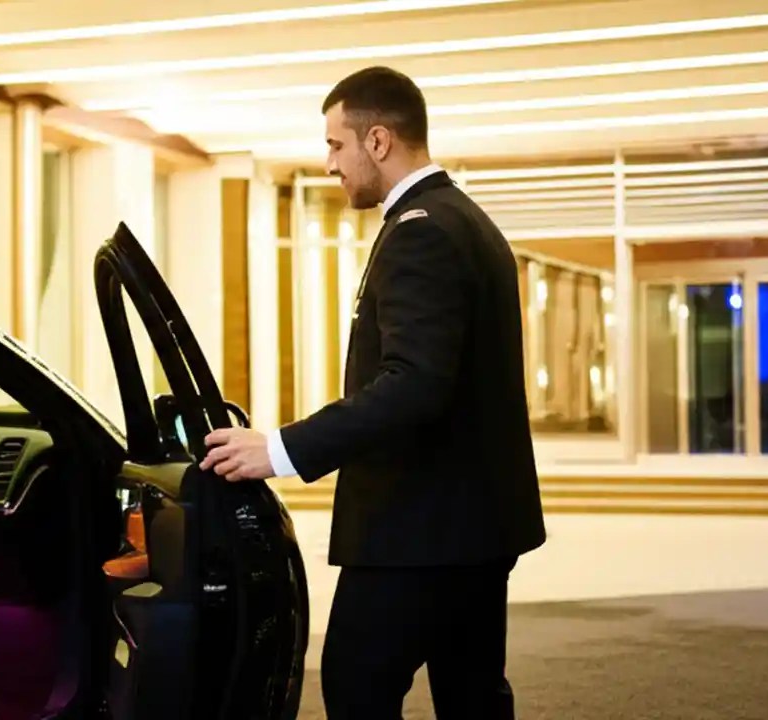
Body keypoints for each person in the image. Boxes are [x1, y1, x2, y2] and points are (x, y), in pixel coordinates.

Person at [199, 66, 546, 719]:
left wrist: (279, 448)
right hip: (472, 525)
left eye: (336, 145)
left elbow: (413, 385)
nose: (329, 163)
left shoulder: (420, 232)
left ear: (379, 140)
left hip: (419, 529)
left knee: (358, 684)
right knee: (472, 695)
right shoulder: (463, 220)